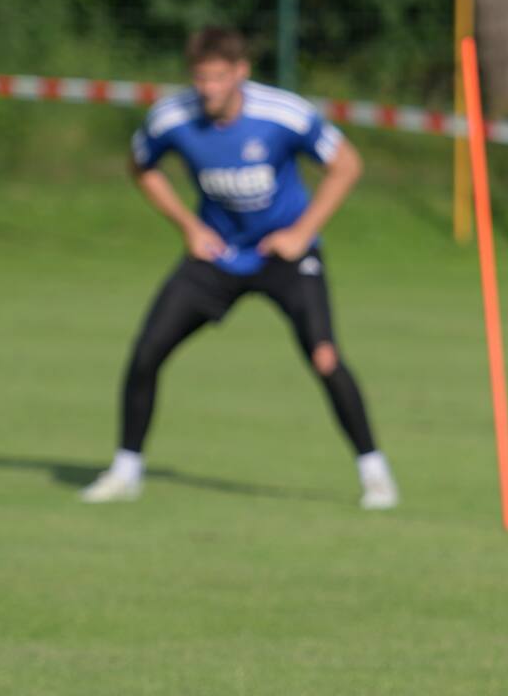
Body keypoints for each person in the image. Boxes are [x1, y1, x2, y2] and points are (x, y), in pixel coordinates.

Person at [80, 27, 398, 509]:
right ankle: (126, 471)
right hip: (219, 257)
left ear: (241, 74)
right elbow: (141, 167)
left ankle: (375, 474)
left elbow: (347, 164)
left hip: (284, 256)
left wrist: (301, 233)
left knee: (325, 358)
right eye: (200, 78)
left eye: (218, 78)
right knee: (147, 352)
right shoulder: (171, 117)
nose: (208, 88)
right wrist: (188, 226)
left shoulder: (283, 114)